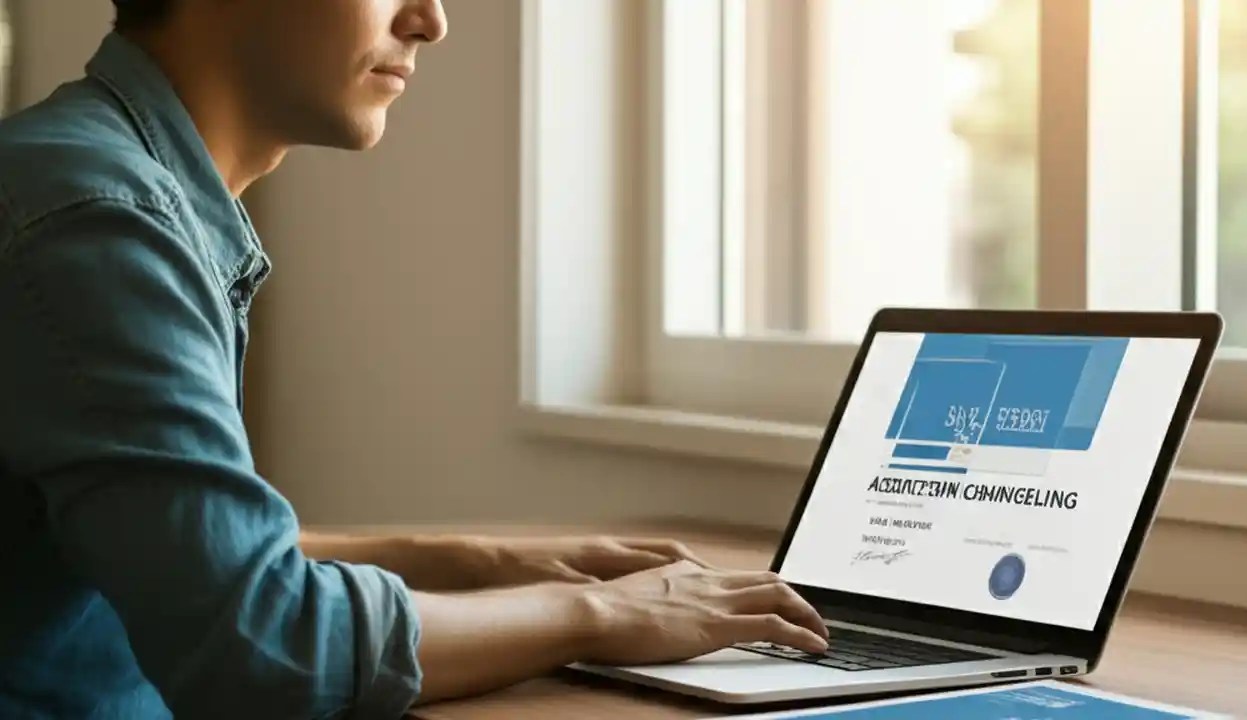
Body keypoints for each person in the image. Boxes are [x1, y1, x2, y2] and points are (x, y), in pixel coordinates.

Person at [0, 1, 830, 717]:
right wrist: (597, 615)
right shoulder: (101, 219)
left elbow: (192, 556)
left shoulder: (86, 177)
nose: (431, 21)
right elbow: (258, 641)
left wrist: (486, 562)